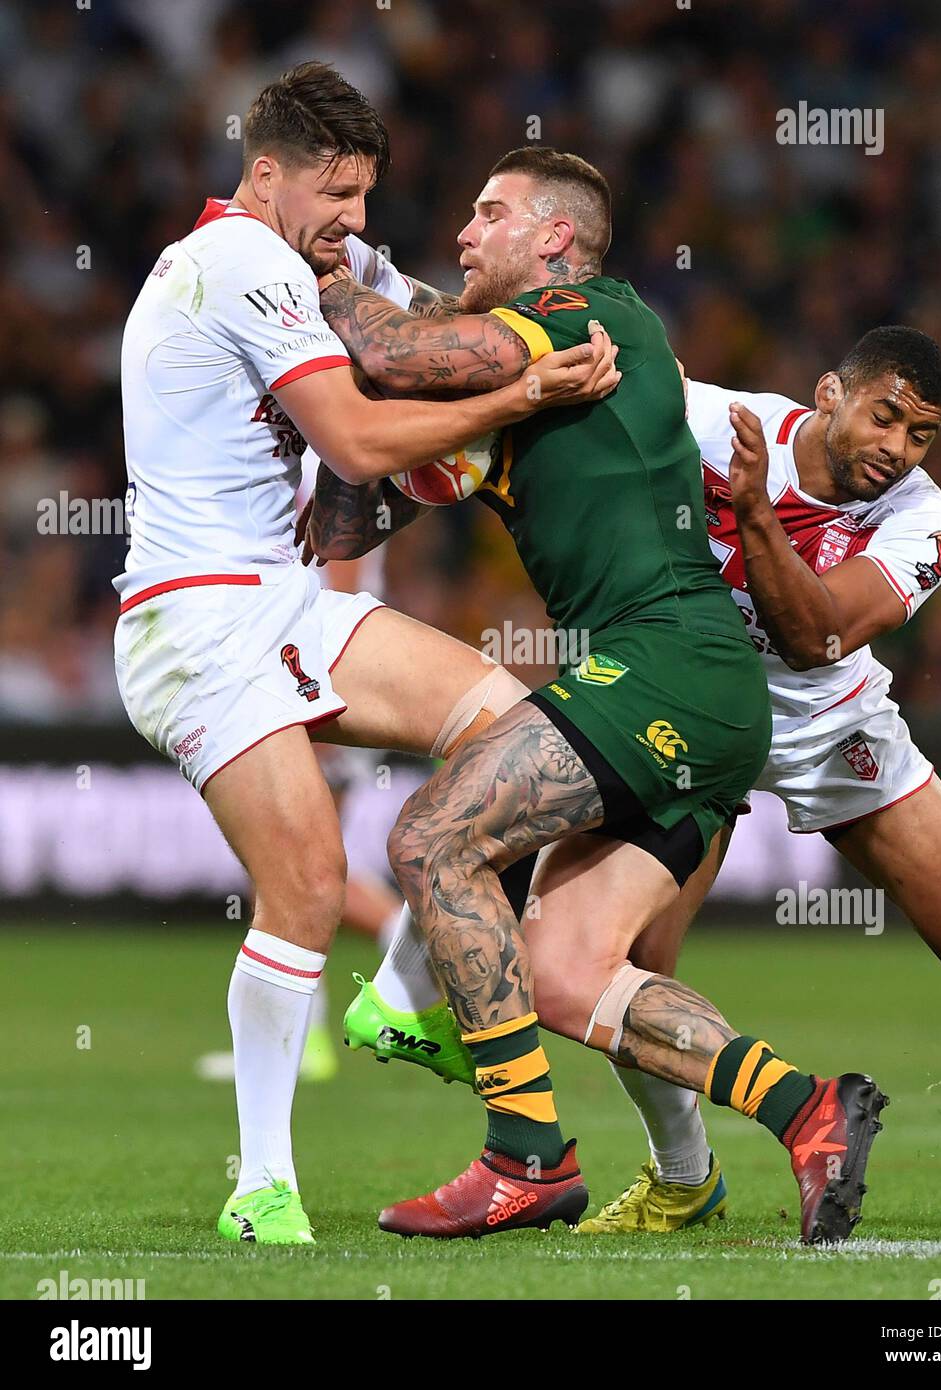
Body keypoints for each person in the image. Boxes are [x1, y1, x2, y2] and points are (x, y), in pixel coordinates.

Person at [354, 328, 941, 1237]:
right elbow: (584, 385)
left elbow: (817, 639)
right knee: (622, 969)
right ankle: (684, 1178)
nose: (896, 448)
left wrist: (755, 515)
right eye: (884, 415)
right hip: (694, 716)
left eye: (920, 435)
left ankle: (426, 1006)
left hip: (831, 731)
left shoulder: (926, 525)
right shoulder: (709, 423)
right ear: (828, 393)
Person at [306, 147, 890, 1244]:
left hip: (665, 660)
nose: (466, 232)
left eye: (490, 213)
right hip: (699, 691)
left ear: (555, 241)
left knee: (434, 838)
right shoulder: (522, 382)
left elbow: (397, 341)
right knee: (567, 976)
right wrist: (363, 385)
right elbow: (364, 486)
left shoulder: (591, 313)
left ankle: (524, 1159)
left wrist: (318, 270)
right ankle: (806, 1110)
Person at [114, 62, 619, 1246]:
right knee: (300, 879)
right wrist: (521, 395)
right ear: (267, 171)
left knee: (519, 736)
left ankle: (398, 996)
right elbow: (350, 440)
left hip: (279, 598)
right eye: (335, 193)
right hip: (192, 620)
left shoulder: (313, 258)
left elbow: (433, 328)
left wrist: (536, 327)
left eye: (365, 195)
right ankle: (262, 1185)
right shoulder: (237, 261)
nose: (353, 218)